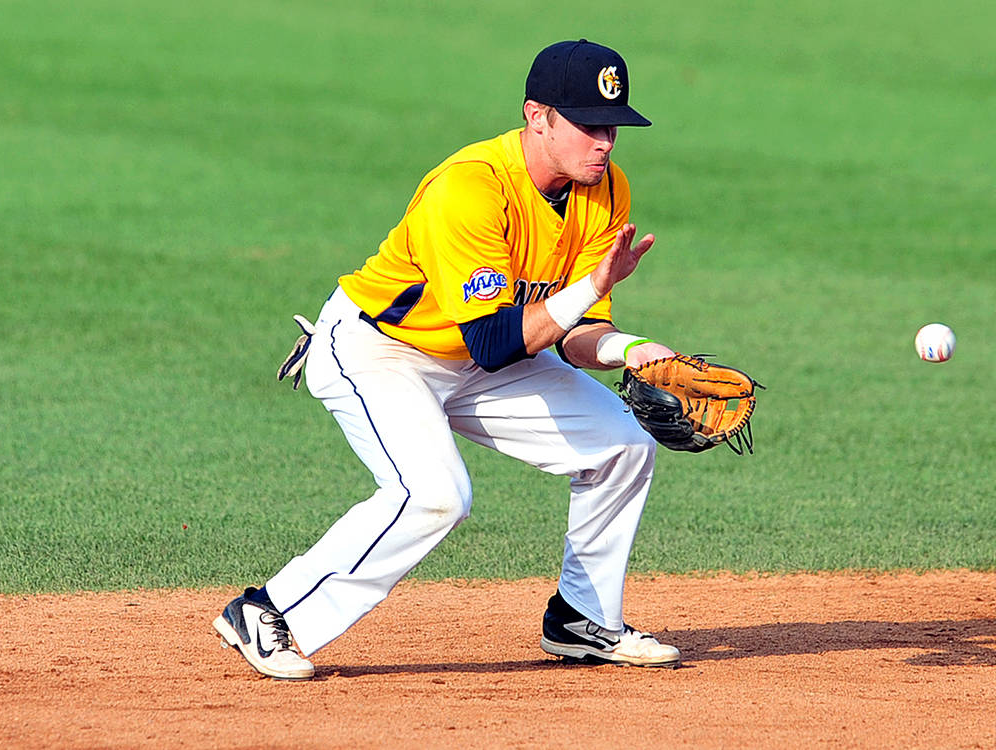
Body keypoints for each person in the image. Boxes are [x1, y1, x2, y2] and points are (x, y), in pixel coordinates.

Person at [213, 39, 681, 680]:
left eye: (612, 126)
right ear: (536, 116)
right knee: (434, 495)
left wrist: (634, 351)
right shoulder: (471, 187)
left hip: (481, 359)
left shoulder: (603, 191)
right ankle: (271, 612)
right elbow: (496, 342)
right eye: (587, 125)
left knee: (622, 444)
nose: (604, 142)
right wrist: (590, 290)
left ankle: (582, 618)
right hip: (381, 350)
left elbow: (575, 332)